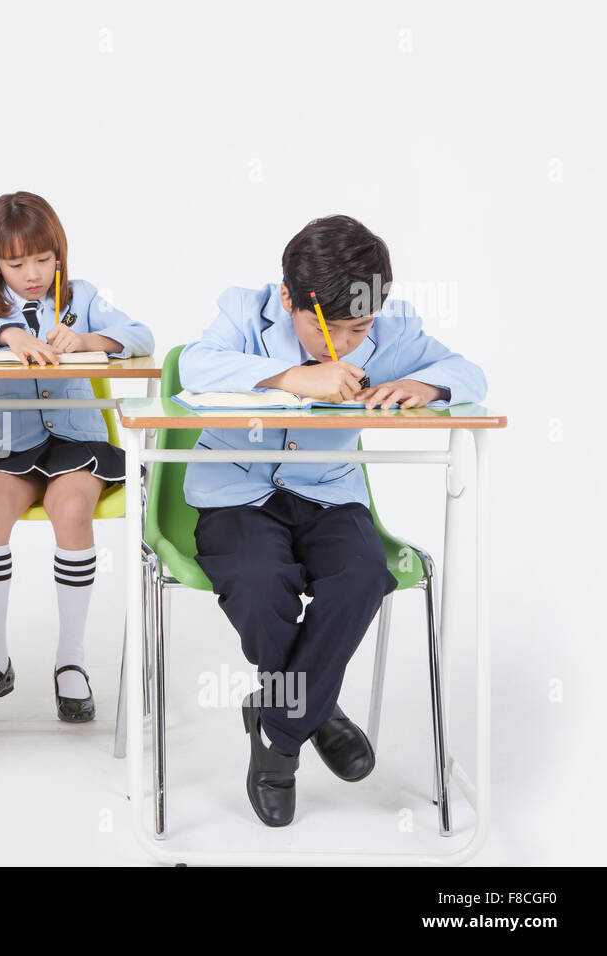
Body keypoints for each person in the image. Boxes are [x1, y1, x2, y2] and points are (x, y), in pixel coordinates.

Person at [180, 214, 487, 826]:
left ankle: (278, 732)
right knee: (263, 582)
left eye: (359, 329)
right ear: (289, 298)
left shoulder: (392, 330)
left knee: (363, 576)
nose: (343, 345)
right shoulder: (245, 312)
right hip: (235, 493)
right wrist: (291, 376)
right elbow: (195, 368)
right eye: (330, 331)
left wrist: (425, 386)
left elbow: (468, 374)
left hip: (329, 492)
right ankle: (316, 710)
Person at [0, 191, 153, 722]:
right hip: (8, 444)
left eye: (43, 259)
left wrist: (87, 339)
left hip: (76, 441)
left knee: (70, 510)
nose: (32, 274)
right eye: (16, 264)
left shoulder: (81, 297)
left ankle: (71, 660)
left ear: (59, 255)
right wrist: (10, 333)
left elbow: (140, 336)